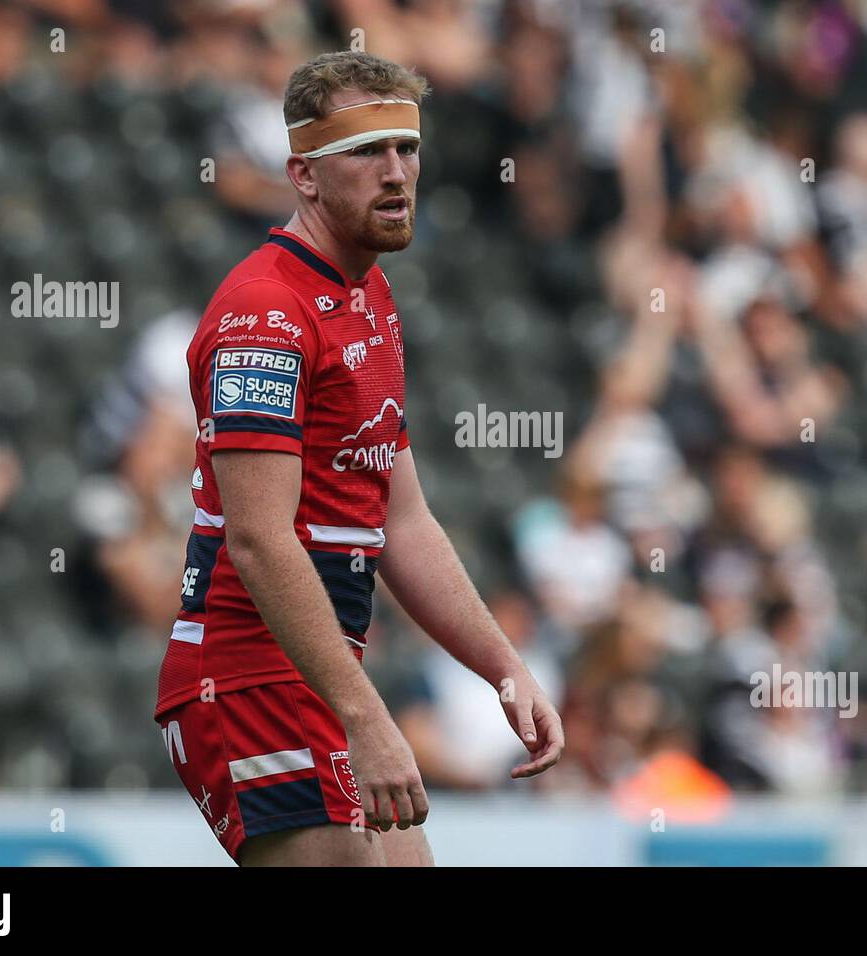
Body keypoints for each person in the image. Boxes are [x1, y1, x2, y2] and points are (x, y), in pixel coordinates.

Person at [153, 51, 564, 867]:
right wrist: (368, 716)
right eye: (366, 152)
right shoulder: (264, 314)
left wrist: (504, 668)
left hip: (314, 672)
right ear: (303, 176)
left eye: (406, 149)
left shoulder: (369, 299)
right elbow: (261, 540)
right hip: (246, 675)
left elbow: (402, 522)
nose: (395, 171)